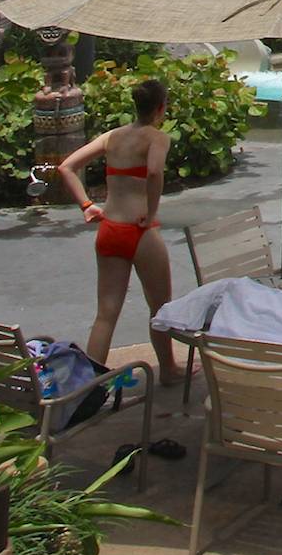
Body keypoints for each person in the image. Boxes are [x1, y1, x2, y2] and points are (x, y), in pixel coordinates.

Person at [59, 77, 187, 386]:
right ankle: (168, 369)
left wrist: (87, 204)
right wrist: (152, 211)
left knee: (106, 313)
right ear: (161, 108)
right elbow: (154, 171)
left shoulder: (112, 137)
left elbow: (66, 167)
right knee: (160, 306)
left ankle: (89, 385)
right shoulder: (157, 138)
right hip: (140, 231)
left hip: (110, 228)